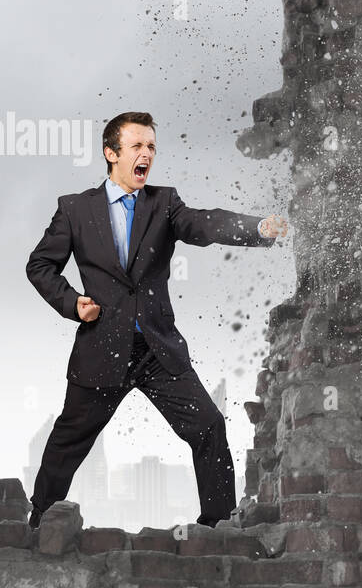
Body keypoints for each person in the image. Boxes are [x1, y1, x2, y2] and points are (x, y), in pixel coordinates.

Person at [24, 111, 288, 529]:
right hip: (102, 348)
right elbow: (39, 266)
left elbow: (204, 223)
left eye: (151, 147)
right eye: (137, 146)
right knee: (67, 440)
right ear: (111, 154)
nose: (146, 154)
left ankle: (218, 527)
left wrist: (256, 227)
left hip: (156, 349)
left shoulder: (164, 203)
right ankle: (38, 521)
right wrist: (74, 303)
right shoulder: (74, 210)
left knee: (208, 427)